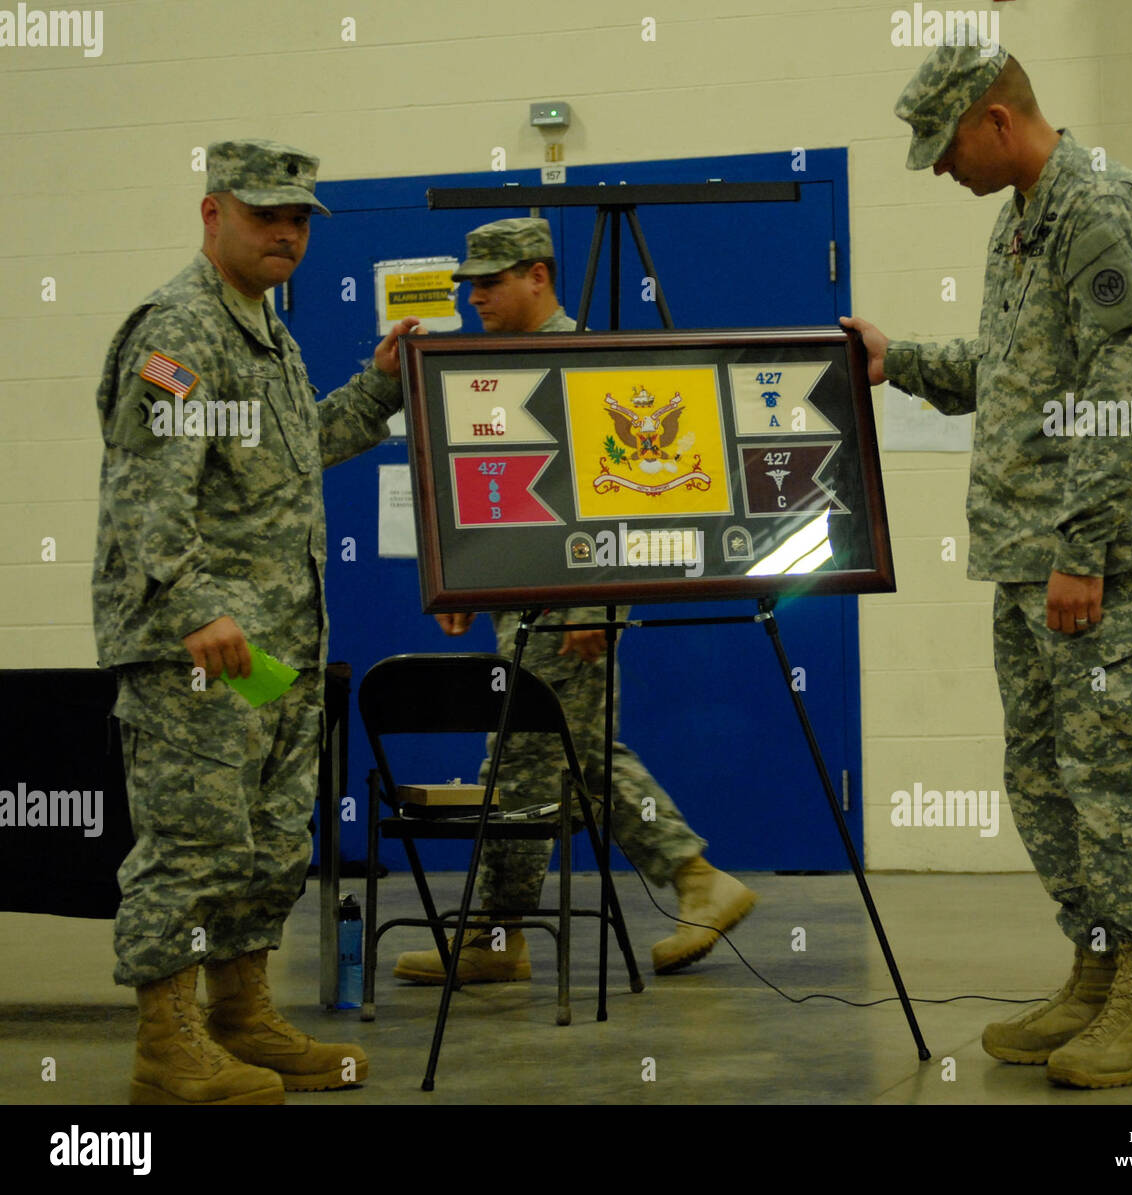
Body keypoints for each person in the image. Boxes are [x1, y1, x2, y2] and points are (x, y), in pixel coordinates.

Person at [841, 41, 1132, 1089]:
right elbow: (1012, 375)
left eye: (943, 147)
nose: (938, 168)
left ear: (995, 119)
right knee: (1043, 774)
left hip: (1098, 563)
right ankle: (1092, 974)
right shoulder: (1022, 223)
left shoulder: (1098, 210)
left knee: (1112, 773)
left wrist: (1080, 551)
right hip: (1026, 561)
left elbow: (1119, 397)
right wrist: (895, 359)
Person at [94, 138, 421, 1105]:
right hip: (198, 646)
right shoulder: (179, 331)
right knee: (191, 841)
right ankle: (167, 1041)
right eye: (266, 214)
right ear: (213, 214)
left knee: (270, 835)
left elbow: (299, 448)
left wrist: (383, 387)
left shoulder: (267, 334)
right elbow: (143, 493)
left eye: (300, 220)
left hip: (270, 650)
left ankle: (243, 1018)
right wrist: (195, 606)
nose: (286, 232)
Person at [393, 218, 756, 985]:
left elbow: (639, 497)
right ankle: (507, 934)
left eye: (491, 280)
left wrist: (606, 604)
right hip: (519, 601)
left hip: (574, 604)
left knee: (556, 757)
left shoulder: (584, 362)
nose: (477, 295)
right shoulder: (498, 365)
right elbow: (492, 490)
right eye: (471, 283)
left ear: (539, 275)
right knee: (544, 762)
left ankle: (688, 878)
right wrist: (459, 582)